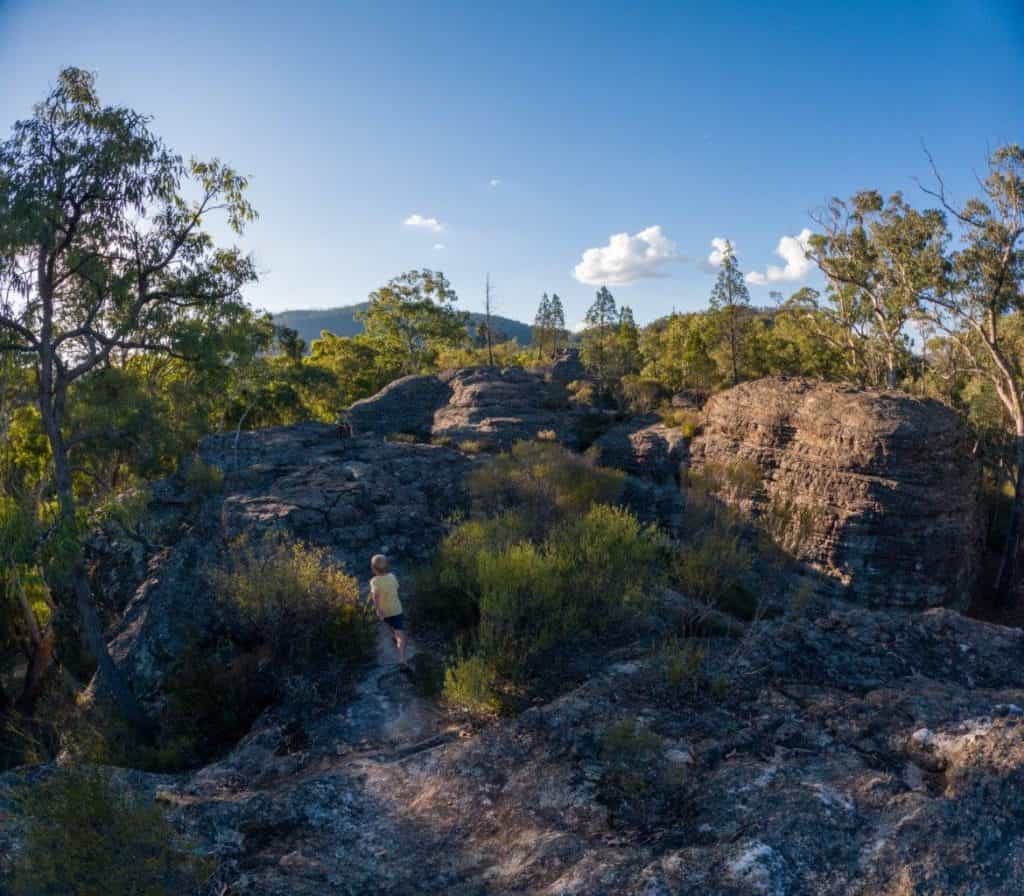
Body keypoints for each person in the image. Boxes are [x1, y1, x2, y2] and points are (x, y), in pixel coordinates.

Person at [369, 554, 409, 673]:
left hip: (385, 612)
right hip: (396, 610)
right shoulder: (392, 577)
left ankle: (394, 635)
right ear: (388, 567)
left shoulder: (374, 581)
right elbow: (397, 588)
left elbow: (375, 597)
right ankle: (402, 660)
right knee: (401, 636)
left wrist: (378, 610)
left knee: (389, 624)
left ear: (373, 569)